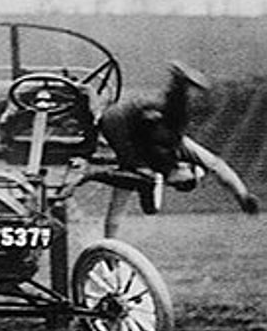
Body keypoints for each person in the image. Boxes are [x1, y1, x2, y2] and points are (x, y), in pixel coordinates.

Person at [97, 60, 259, 237]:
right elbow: (219, 167)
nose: (184, 171)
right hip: (132, 115)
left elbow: (116, 211)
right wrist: (242, 196)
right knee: (172, 133)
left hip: (123, 120)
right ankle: (178, 84)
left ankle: (178, 84)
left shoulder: (143, 170)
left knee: (144, 163)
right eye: (188, 173)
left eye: (184, 181)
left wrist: (109, 243)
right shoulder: (181, 149)